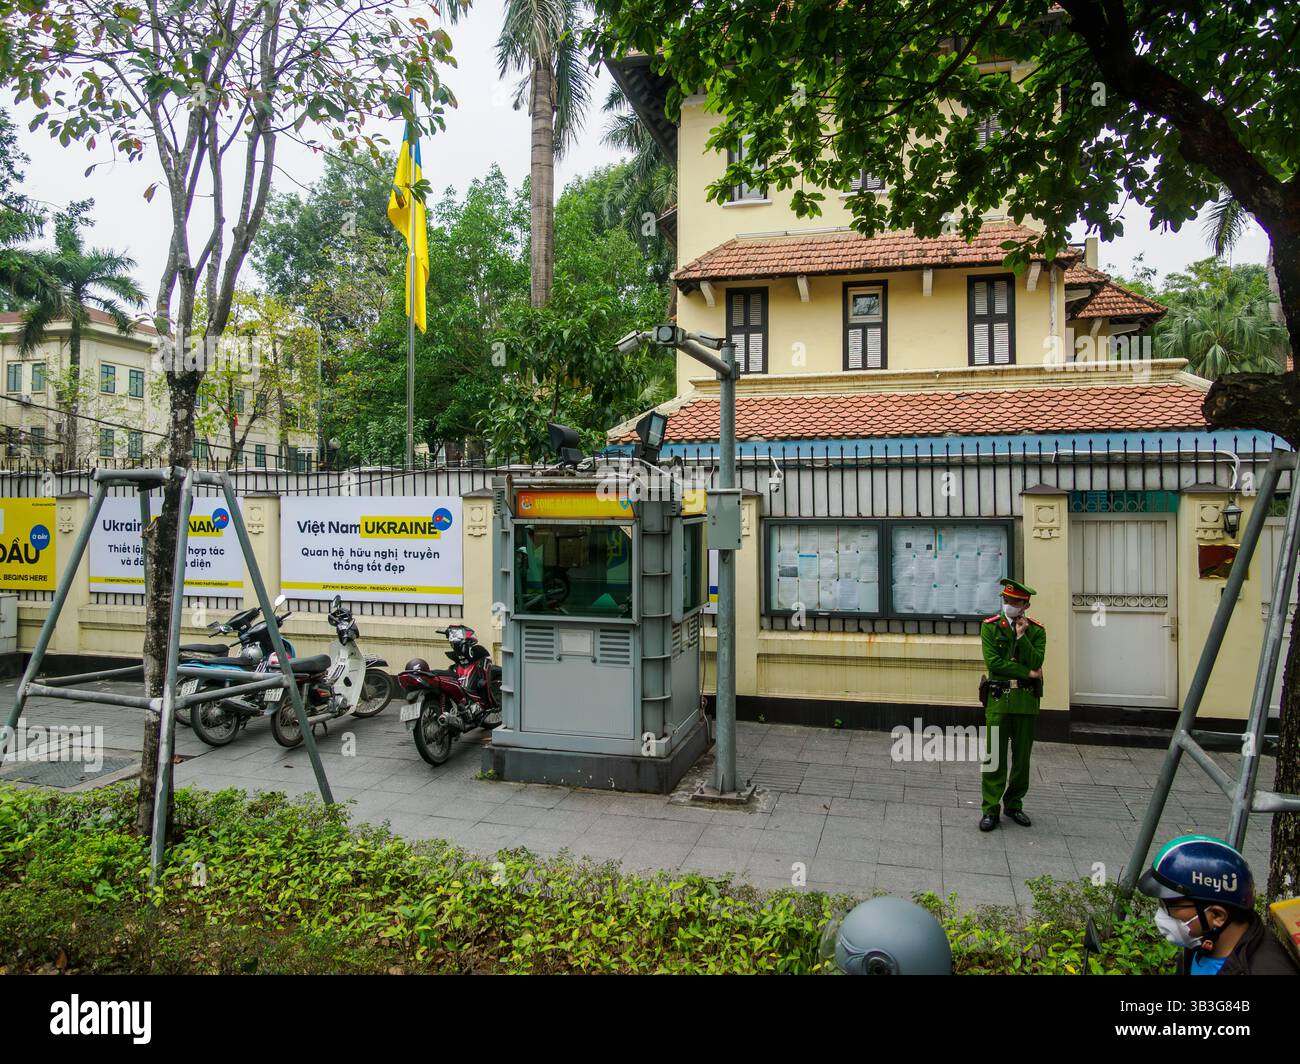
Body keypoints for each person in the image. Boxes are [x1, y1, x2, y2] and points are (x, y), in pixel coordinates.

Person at [1138, 834, 1298, 975]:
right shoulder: (1202, 940)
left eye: (1172, 906)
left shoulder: (1266, 970)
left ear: (1217, 916)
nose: (1161, 915)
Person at [978, 578, 1045, 832]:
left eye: (1014, 602)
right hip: (998, 700)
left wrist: (1022, 637)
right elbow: (994, 664)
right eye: (1005, 600)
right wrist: (1026, 673)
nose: (1008, 605)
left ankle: (1014, 804)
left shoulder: (1037, 630)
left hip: (1026, 703)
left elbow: (1037, 659)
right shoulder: (990, 627)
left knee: (1021, 760)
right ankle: (990, 809)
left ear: (1025, 604)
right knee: (994, 757)